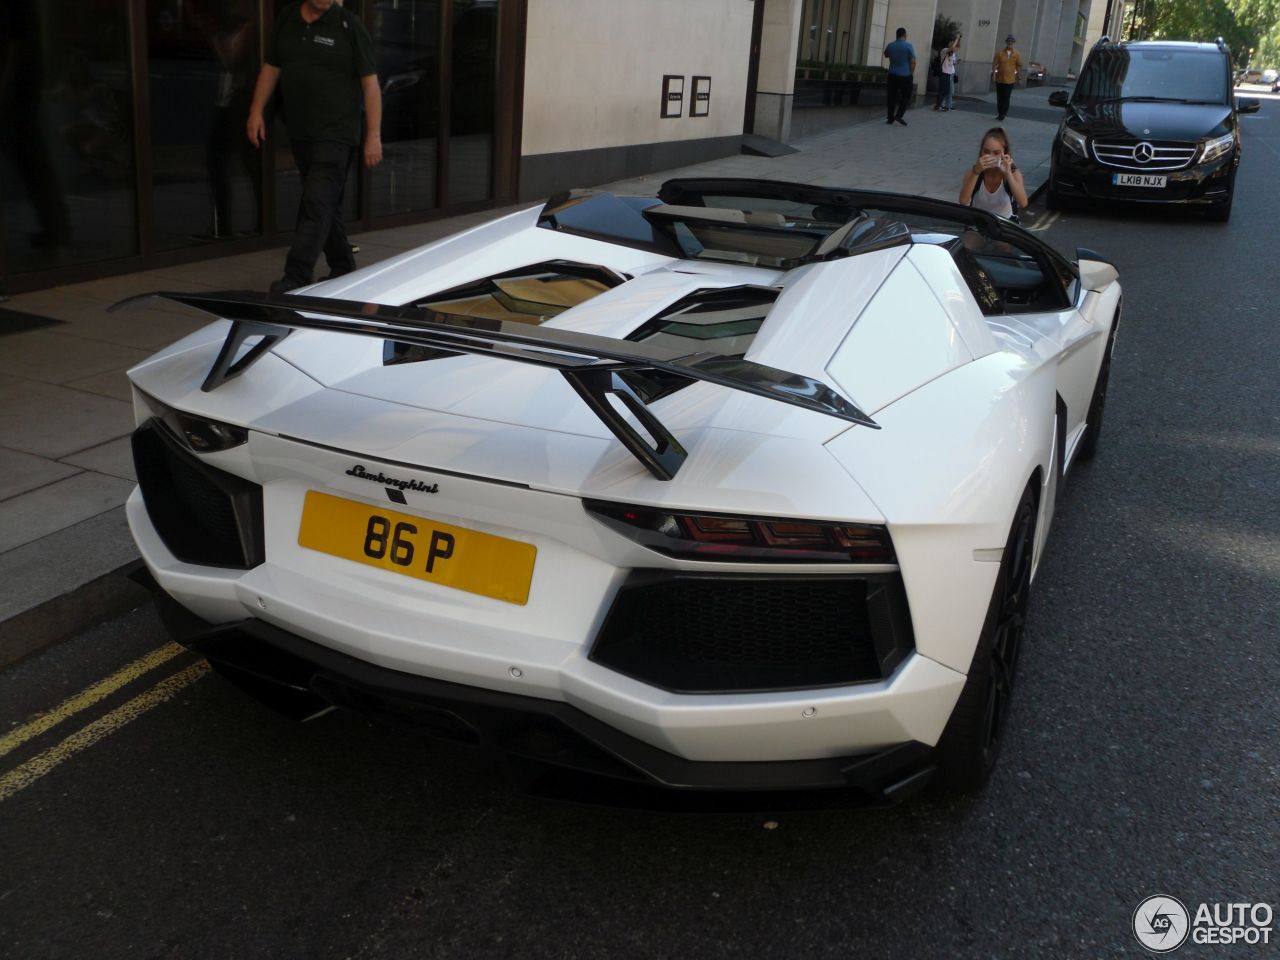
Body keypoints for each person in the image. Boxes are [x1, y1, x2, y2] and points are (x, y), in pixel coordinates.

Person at [246, 0, 382, 295]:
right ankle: (343, 266)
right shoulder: (287, 21)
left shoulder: (348, 26)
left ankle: (296, 274)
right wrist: (256, 111)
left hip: (337, 134)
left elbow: (370, 85)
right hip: (301, 133)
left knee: (316, 202)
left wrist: (374, 135)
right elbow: (272, 68)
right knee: (324, 204)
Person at [958, 127, 1028, 219]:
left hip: (1004, 225)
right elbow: (963, 201)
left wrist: (1008, 174)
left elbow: (1023, 203)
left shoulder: (1014, 174)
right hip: (978, 224)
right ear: (981, 152)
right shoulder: (973, 173)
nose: (990, 156)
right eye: (986, 151)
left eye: (996, 153)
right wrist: (976, 172)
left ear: (1005, 153)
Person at [882, 27, 916, 126]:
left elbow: (886, 55)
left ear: (896, 35)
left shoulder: (890, 45)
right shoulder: (908, 46)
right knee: (906, 96)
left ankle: (890, 118)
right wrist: (911, 73)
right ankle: (899, 115)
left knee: (891, 96)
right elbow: (913, 62)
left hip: (892, 74)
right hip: (905, 75)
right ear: (905, 35)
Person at [991, 34, 1022, 121]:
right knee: (1000, 97)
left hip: (1010, 79)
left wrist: (1019, 78)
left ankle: (1004, 113)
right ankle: (1000, 113)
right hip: (1000, 79)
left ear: (1013, 43)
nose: (1010, 43)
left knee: (1006, 97)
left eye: (1011, 42)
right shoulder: (1000, 53)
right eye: (1008, 41)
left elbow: (1018, 66)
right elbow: (994, 64)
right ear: (1006, 42)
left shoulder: (1016, 54)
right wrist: (993, 74)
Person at [934, 34, 960, 111]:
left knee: (949, 90)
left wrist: (957, 62)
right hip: (944, 72)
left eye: (953, 43)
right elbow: (951, 48)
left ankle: (946, 105)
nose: (953, 45)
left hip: (950, 73)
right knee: (943, 90)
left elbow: (953, 62)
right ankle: (939, 105)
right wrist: (957, 38)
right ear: (949, 43)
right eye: (952, 43)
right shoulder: (944, 50)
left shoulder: (953, 53)